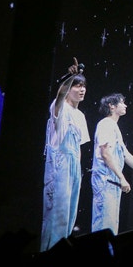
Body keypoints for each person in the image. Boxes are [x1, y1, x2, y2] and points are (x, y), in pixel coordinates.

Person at [90, 93, 133, 235]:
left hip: (113, 183)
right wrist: (121, 177)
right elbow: (105, 154)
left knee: (111, 227)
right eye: (122, 102)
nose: (125, 105)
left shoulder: (114, 127)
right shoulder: (106, 124)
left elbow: (125, 155)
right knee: (103, 227)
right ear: (111, 106)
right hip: (105, 181)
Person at [41, 61, 89, 252]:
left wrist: (78, 171)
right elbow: (60, 94)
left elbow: (79, 146)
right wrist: (69, 77)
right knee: (56, 216)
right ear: (69, 88)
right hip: (58, 165)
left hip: (73, 167)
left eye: (83, 85)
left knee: (69, 216)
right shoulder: (59, 106)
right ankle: (47, 259)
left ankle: (59, 259)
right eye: (77, 85)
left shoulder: (80, 115)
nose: (82, 89)